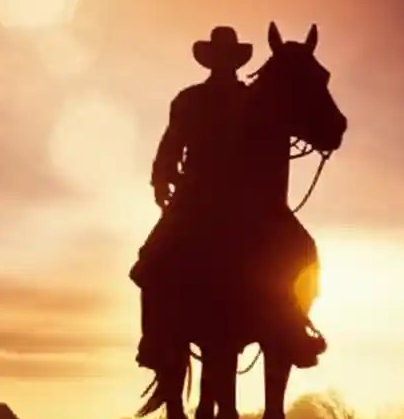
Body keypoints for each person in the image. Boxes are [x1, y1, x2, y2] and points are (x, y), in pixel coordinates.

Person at [130, 26, 326, 391]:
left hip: (245, 197)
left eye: (228, 58)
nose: (223, 64)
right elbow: (170, 145)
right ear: (210, 61)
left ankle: (294, 324)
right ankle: (155, 341)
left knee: (303, 250)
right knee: (150, 262)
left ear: (236, 62)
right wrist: (161, 178)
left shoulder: (253, 100)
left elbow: (274, 138)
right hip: (196, 197)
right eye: (219, 57)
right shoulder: (188, 100)